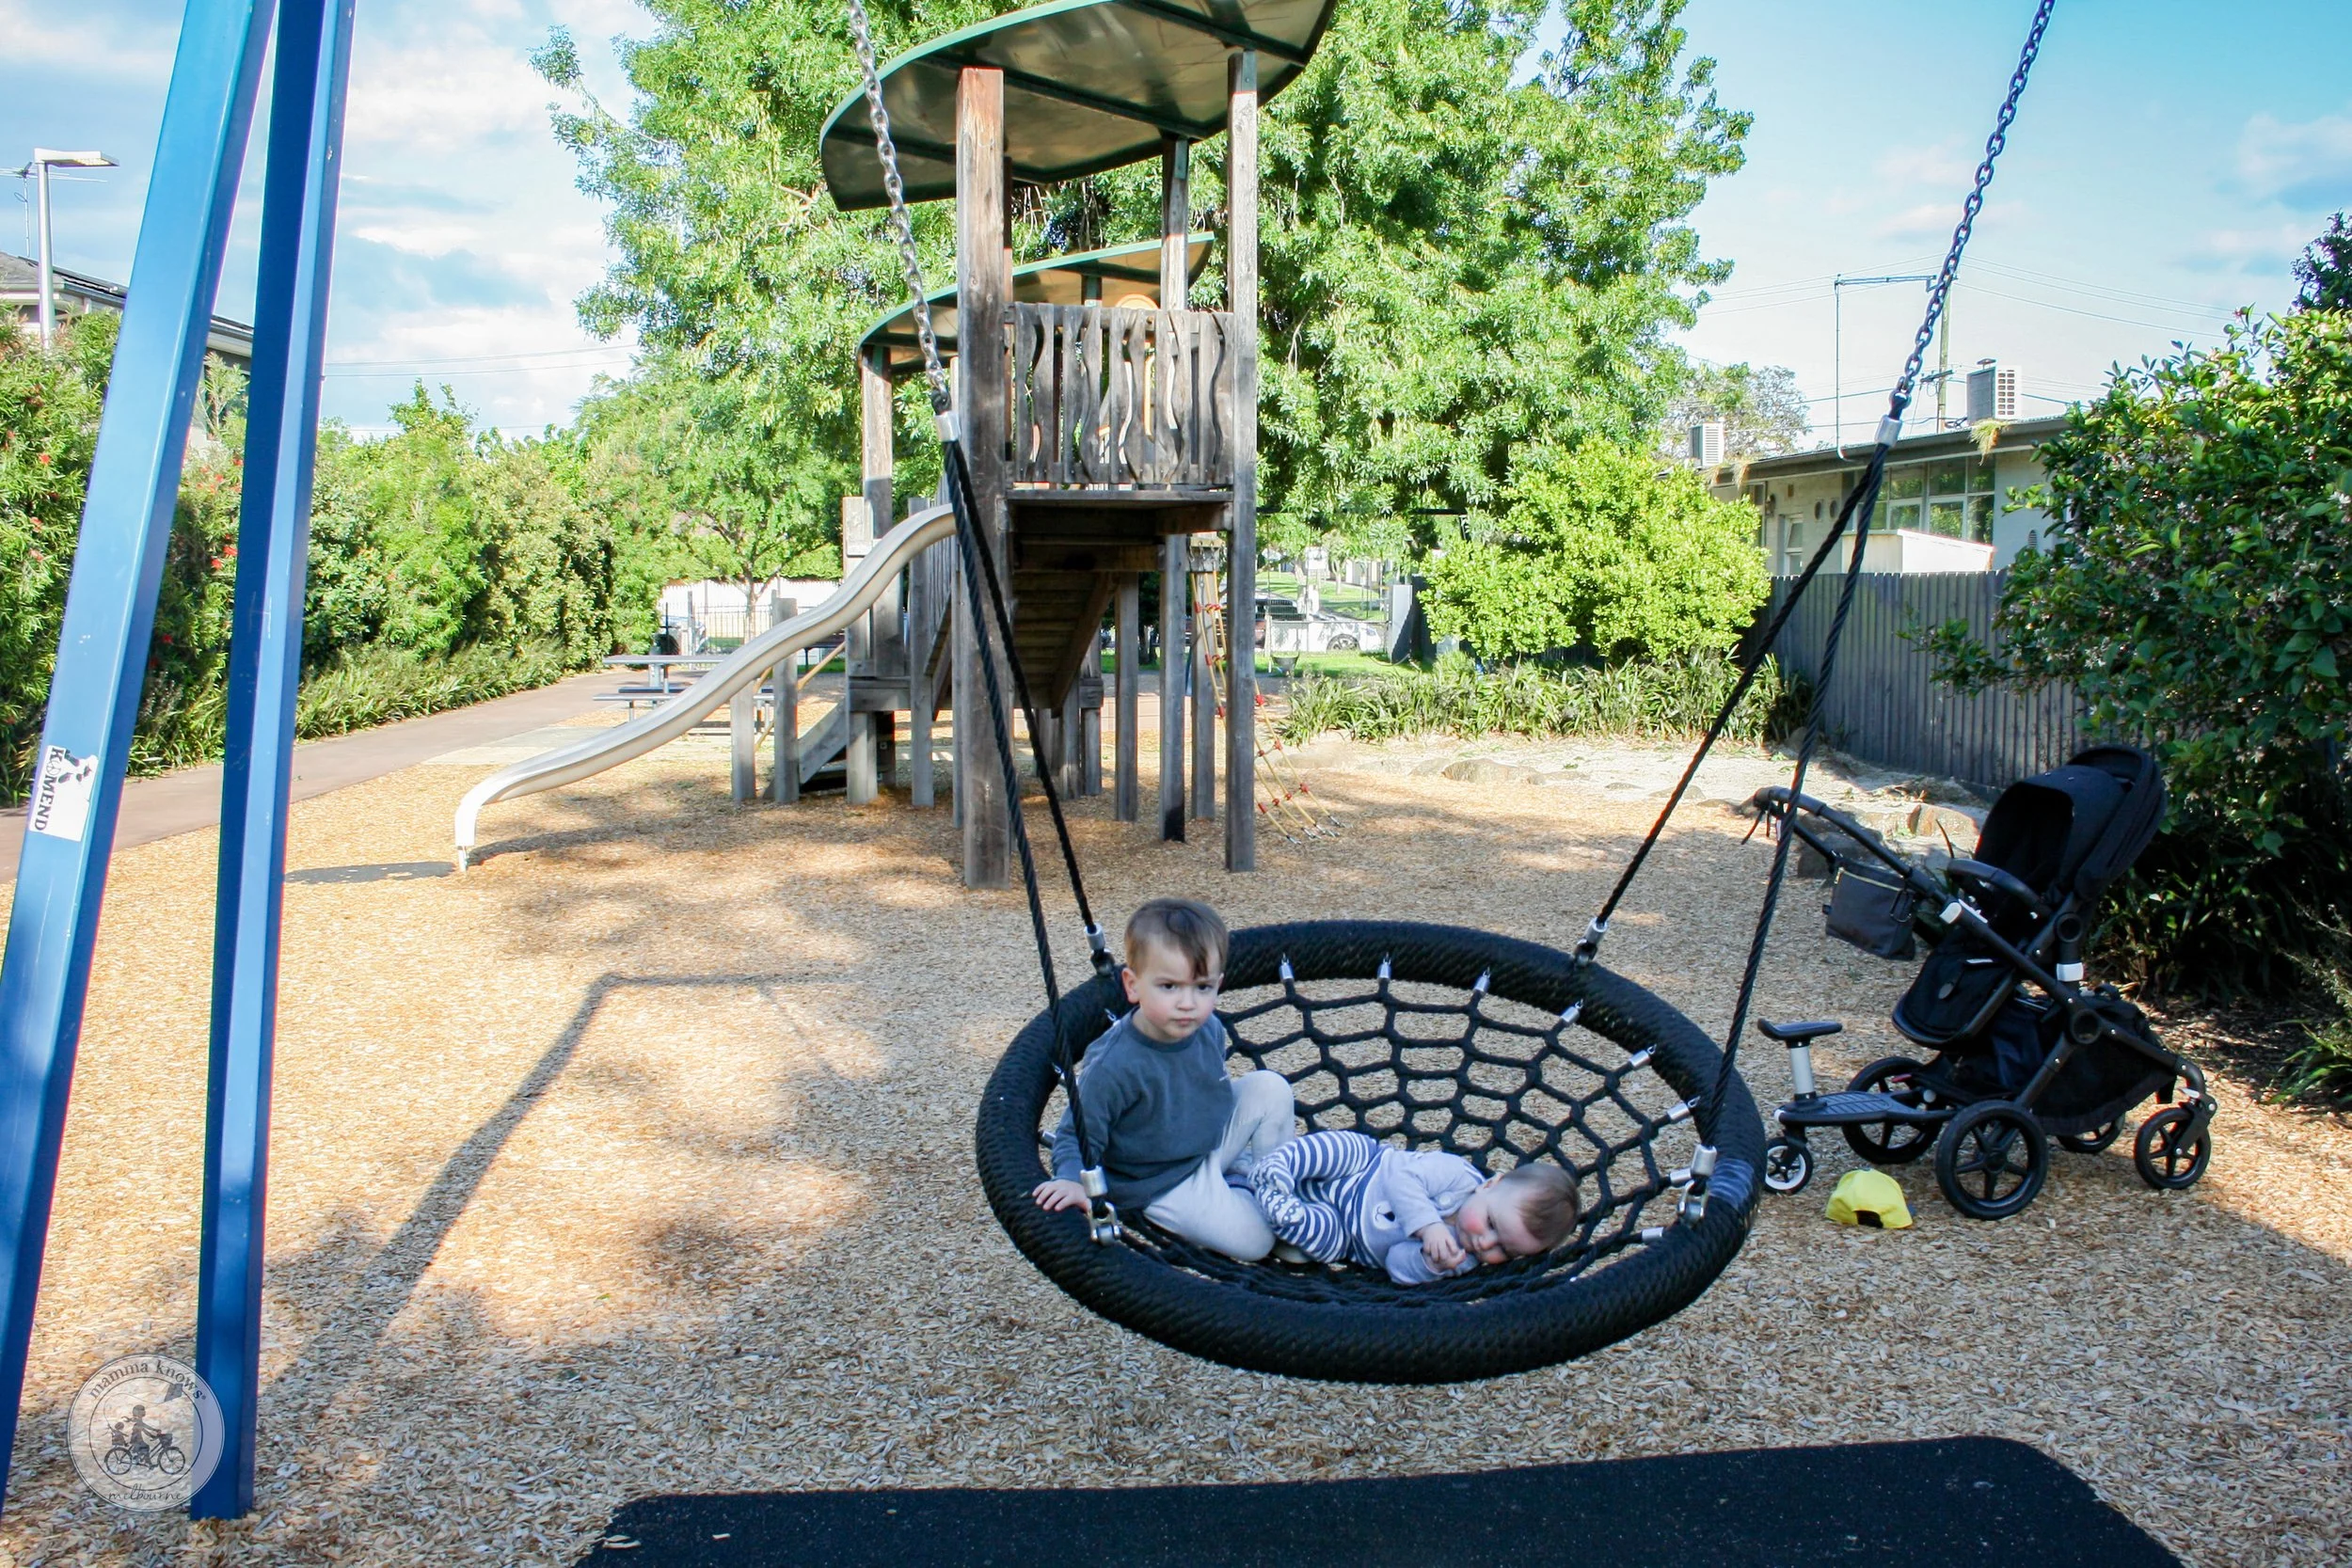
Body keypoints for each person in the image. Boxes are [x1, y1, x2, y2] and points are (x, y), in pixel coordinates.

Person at [1033, 898, 1295, 1260]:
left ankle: (1276, 1194)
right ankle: (1242, 1187)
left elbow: (1201, 1090)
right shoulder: (1116, 1064)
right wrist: (1070, 1179)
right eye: (1169, 987)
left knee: (1270, 1087)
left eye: (1202, 987)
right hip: (1161, 1181)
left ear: (1219, 984)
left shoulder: (1210, 1029)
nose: (1187, 1003)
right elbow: (1076, 1132)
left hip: (1206, 1145)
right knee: (1257, 1242)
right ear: (1133, 985)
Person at [1250, 1130, 1581, 1284]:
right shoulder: (1456, 1176)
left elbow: (1395, 1266)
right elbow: (1402, 1180)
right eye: (1492, 1225)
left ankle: (1282, 1209)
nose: (1485, 1244)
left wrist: (1430, 1263)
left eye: (1504, 1251)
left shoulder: (1460, 1261)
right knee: (1342, 1147)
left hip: (1348, 1233)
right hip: (1364, 1169)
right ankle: (1281, 1166)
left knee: (1323, 1244)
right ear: (1489, 1184)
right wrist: (1429, 1227)